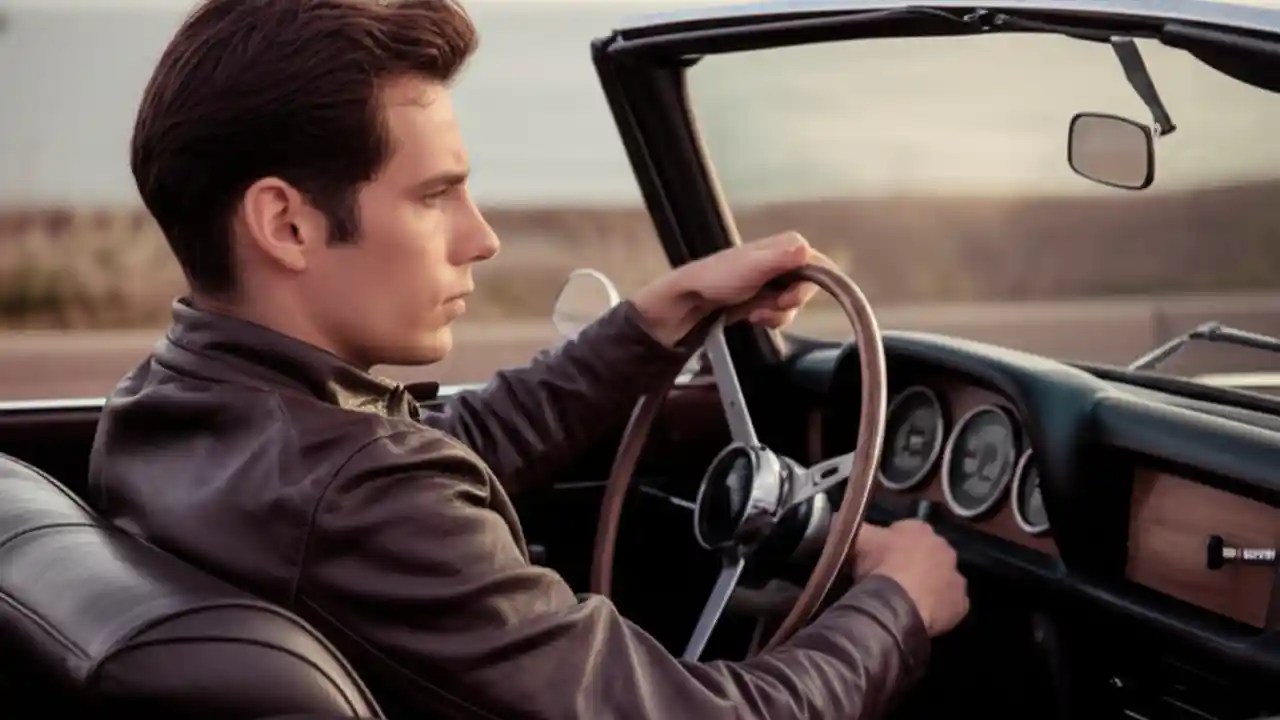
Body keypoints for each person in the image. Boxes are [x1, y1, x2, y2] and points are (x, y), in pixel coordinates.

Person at [87, 1, 969, 718]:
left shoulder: (177, 402)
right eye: (435, 196)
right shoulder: (359, 497)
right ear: (287, 224)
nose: (483, 238)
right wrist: (899, 605)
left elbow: (440, 447)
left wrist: (663, 313)